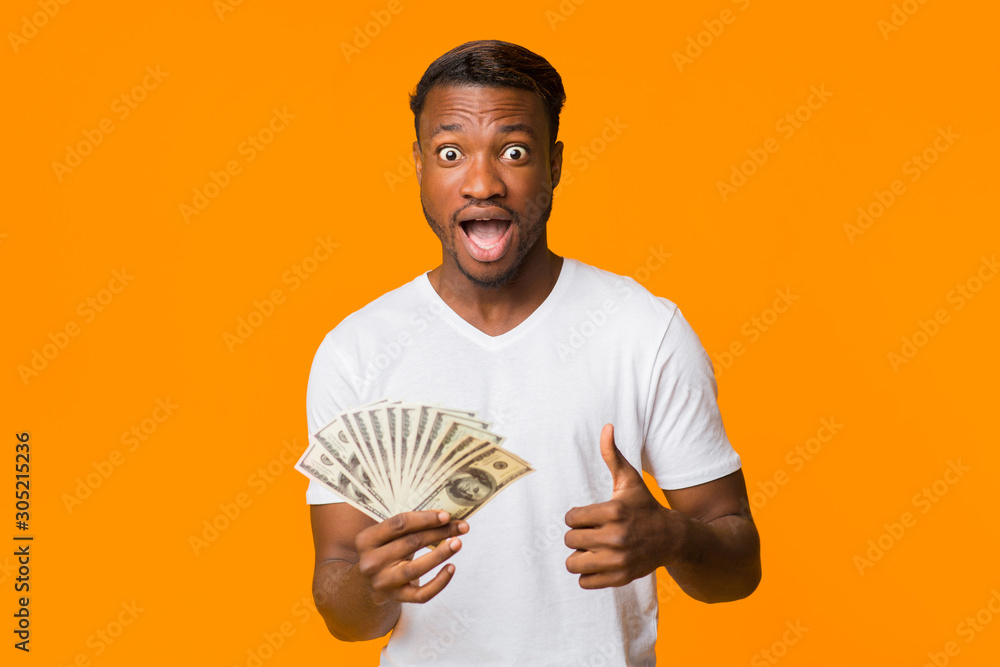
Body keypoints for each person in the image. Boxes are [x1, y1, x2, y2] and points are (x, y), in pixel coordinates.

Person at [304, 39, 761, 666]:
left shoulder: (642, 330)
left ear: (555, 163)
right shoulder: (356, 350)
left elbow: (738, 569)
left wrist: (672, 536)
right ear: (418, 165)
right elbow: (342, 607)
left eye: (514, 152)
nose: (483, 182)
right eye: (450, 152)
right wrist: (369, 583)